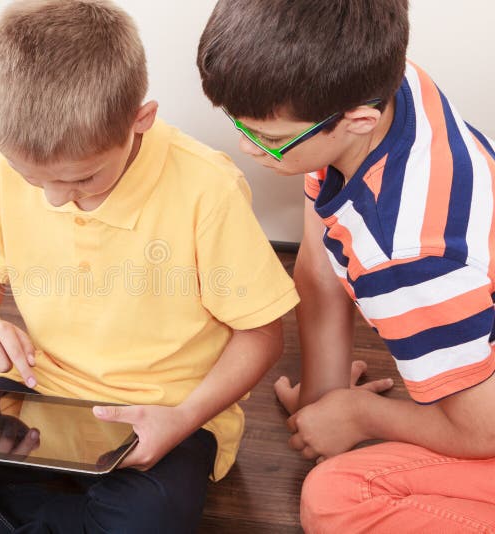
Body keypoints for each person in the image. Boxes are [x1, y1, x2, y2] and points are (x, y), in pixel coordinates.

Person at [0, 1, 299, 532]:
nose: (53, 199)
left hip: (155, 418)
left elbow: (261, 335)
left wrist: (181, 419)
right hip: (35, 397)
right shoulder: (6, 163)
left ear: (141, 119)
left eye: (82, 179)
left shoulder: (207, 188)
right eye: (33, 179)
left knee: (149, 518)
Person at [198, 0, 495, 531]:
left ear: (358, 120)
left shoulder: (404, 255)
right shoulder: (387, 83)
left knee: (337, 498)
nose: (250, 150)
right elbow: (318, 264)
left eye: (269, 138)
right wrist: (323, 396)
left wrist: (360, 414)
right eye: (239, 126)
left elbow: (484, 432)